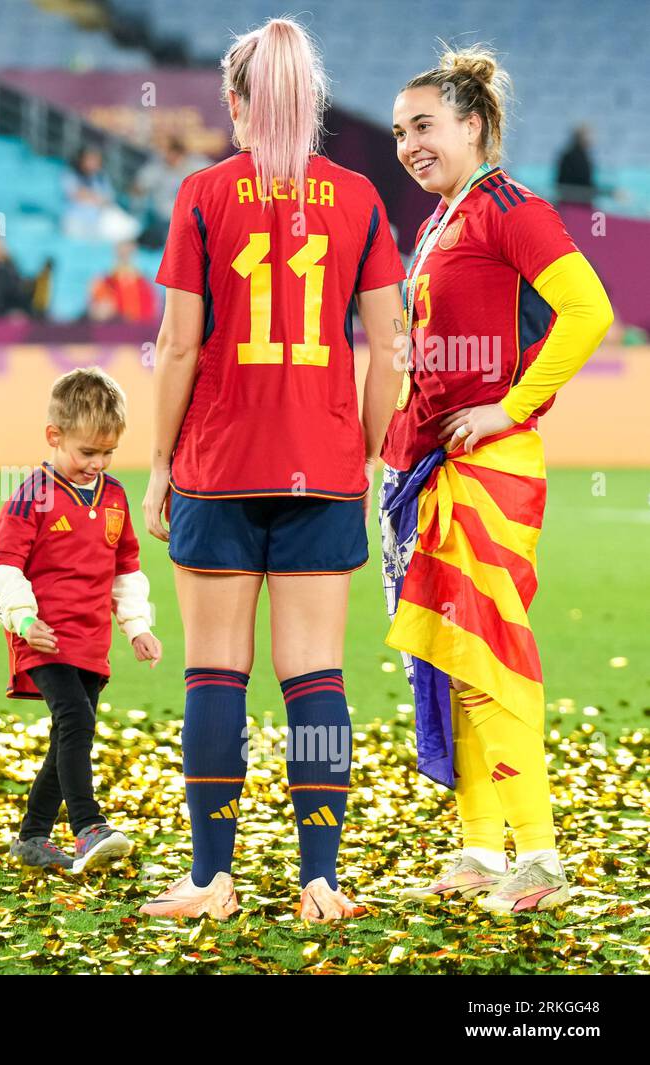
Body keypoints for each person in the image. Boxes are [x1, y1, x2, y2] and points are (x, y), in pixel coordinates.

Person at [135, 18, 407, 923]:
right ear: (314, 100)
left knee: (215, 673)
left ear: (237, 102)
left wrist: (158, 465)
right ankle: (319, 877)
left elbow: (177, 347)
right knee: (316, 677)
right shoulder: (361, 196)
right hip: (321, 469)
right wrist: (360, 450)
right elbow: (391, 353)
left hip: (217, 461)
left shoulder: (203, 194)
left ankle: (212, 878)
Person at [383, 47, 612, 914]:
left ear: (473, 125)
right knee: (451, 655)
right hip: (433, 465)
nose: (409, 143)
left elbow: (590, 307)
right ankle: (482, 846)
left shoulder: (510, 206)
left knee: (490, 656)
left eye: (425, 126)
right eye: (402, 130)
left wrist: (512, 407)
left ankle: (542, 858)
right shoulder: (441, 220)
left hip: (487, 467)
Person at [0, 368, 162, 873]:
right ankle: (88, 826)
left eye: (108, 453)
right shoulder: (32, 495)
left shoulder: (114, 497)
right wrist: (23, 619)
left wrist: (137, 626)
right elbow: (3, 565)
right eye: (87, 452)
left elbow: (125, 569)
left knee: (70, 735)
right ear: (54, 437)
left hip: (92, 641)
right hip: (43, 639)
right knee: (76, 722)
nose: (97, 463)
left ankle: (32, 838)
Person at [134, 136, 209, 249]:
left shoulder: (197, 166)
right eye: (165, 152)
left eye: (170, 152)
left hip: (191, 218)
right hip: (163, 219)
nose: (167, 156)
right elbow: (137, 188)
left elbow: (217, 180)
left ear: (180, 153)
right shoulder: (156, 169)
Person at [62, 147, 141, 243]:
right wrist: (95, 197)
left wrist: (93, 196)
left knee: (130, 226)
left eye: (96, 160)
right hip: (76, 220)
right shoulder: (70, 175)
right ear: (81, 159)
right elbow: (75, 194)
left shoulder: (101, 178)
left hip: (98, 219)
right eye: (90, 159)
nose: (93, 163)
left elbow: (108, 198)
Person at [87, 241, 157, 323]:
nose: (125, 252)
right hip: (115, 328)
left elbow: (153, 313)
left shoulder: (145, 282)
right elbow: (96, 313)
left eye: (128, 248)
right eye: (122, 248)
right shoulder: (103, 281)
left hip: (141, 329)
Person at [555, 125, 597, 206]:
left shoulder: (567, 155)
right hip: (578, 201)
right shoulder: (580, 158)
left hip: (565, 199)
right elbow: (584, 183)